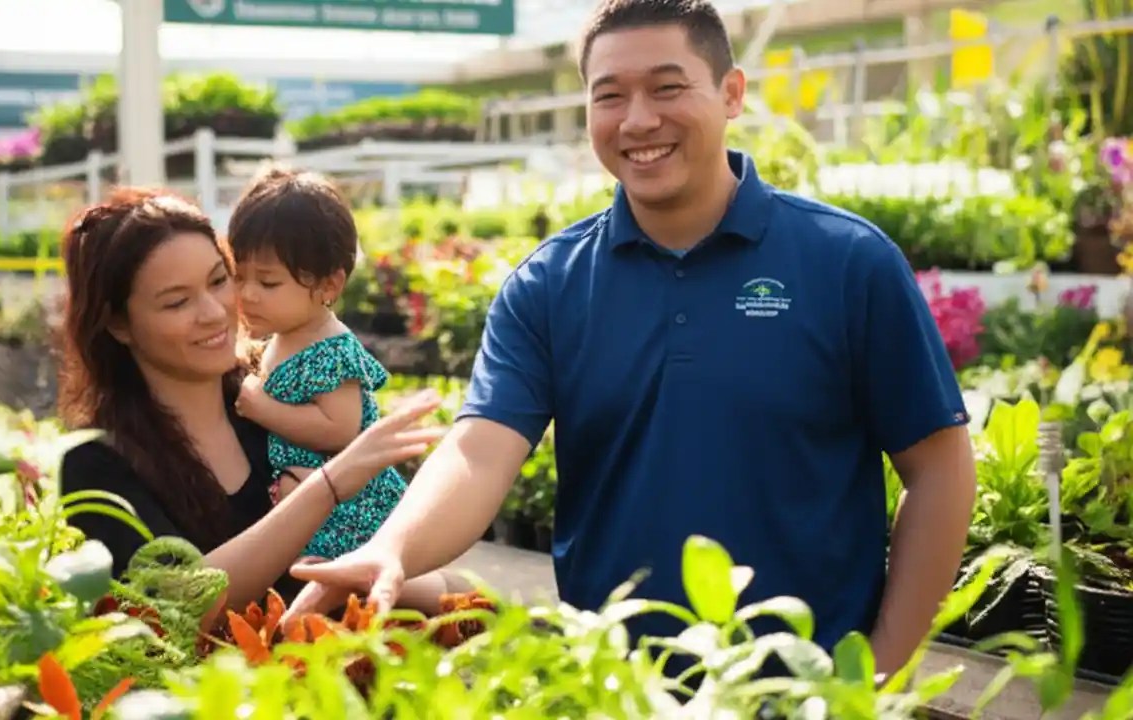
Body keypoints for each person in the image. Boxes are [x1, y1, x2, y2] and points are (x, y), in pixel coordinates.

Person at [285, 0, 978, 678]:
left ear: (731, 93)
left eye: (667, 87)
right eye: (609, 95)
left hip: (806, 686)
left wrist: (884, 664)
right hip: (617, 687)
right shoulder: (550, 286)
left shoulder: (846, 261)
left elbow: (939, 466)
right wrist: (395, 549)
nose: (639, 120)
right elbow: (480, 450)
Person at [56, 187, 445, 612]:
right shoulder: (95, 463)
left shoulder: (284, 401)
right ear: (119, 325)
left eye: (219, 280)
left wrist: (369, 575)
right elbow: (171, 610)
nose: (214, 311)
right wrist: (326, 488)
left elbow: (410, 576)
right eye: (177, 302)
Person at [226, 166, 457, 606]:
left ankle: (447, 599)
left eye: (268, 282)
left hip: (348, 501)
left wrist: (263, 410)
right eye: (239, 277)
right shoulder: (283, 336)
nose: (248, 294)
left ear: (329, 284)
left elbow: (340, 429)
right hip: (310, 496)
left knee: (364, 579)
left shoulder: (329, 350)